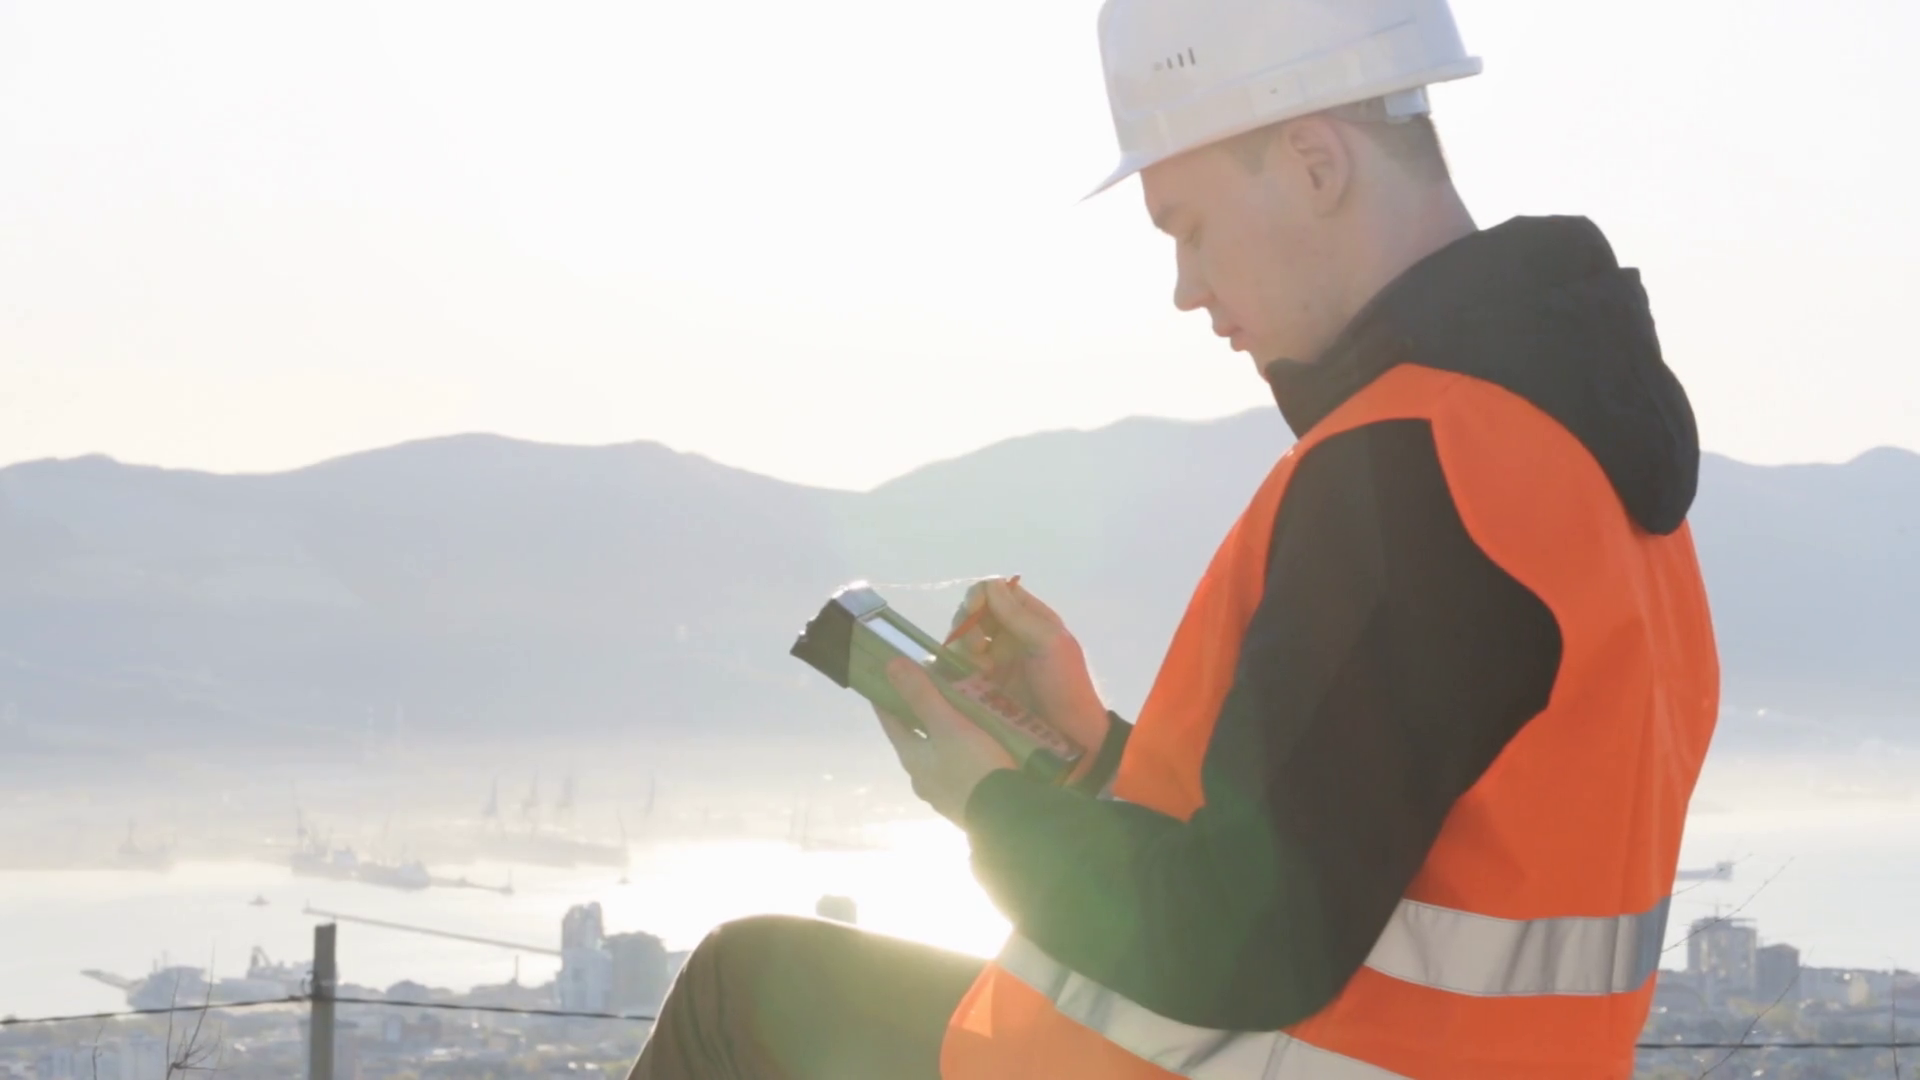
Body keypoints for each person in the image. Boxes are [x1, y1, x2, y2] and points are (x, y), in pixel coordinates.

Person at [628, 0, 1719, 1076]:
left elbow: (1241, 942)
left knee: (748, 994)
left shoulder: (1410, 468)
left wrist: (983, 800)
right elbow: (1349, 843)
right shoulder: (1582, 465)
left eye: (1187, 227)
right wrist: (1093, 756)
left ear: (1312, 163)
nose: (1187, 289)